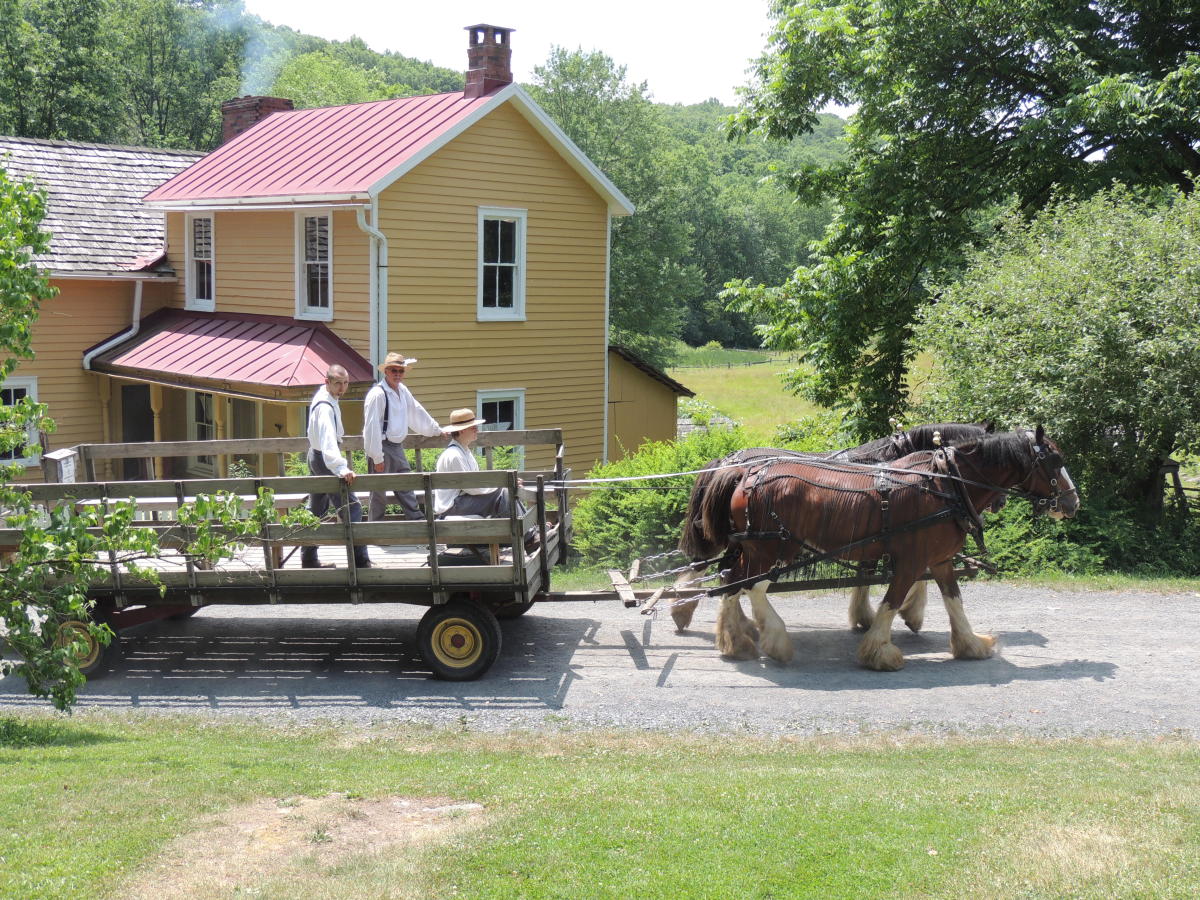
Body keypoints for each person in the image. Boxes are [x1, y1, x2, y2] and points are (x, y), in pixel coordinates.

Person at [300, 365, 371, 569]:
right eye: (337, 383)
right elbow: (328, 440)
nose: (342, 387)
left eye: (345, 382)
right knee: (352, 507)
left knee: (315, 510)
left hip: (317, 456)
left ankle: (309, 558)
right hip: (324, 459)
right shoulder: (325, 407)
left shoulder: (326, 398)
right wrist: (341, 468)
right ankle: (360, 560)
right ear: (327, 382)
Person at [362, 351, 445, 521]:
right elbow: (371, 428)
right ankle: (374, 530)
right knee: (378, 492)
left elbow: (416, 411)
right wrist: (377, 457)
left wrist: (436, 430)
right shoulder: (377, 394)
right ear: (386, 371)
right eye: (394, 371)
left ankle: (417, 522)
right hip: (382, 446)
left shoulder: (402, 390)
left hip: (397, 447)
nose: (398, 374)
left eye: (401, 371)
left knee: (406, 484)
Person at [433, 408, 522, 519]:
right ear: (462, 431)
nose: (477, 430)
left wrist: (503, 484)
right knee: (504, 493)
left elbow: (475, 484)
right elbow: (472, 488)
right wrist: (502, 483)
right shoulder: (454, 455)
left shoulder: (464, 452)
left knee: (507, 492)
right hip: (451, 508)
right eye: (473, 427)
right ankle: (529, 533)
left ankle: (530, 529)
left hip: (460, 502)